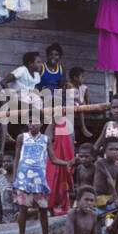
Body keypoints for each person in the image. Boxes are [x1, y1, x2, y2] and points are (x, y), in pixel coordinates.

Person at [15, 118, 69, 234]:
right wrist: (15, 179)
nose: (33, 124)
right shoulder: (21, 138)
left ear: (41, 123)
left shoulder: (46, 139)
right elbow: (17, 158)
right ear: (27, 123)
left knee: (43, 209)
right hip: (23, 180)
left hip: (39, 181)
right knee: (23, 209)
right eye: (30, 121)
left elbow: (54, 159)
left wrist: (67, 163)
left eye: (36, 121)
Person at [46, 87, 78, 216]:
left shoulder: (66, 122)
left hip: (66, 161)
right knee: (51, 186)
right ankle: (52, 210)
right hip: (54, 161)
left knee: (63, 187)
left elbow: (71, 142)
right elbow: (47, 140)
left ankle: (62, 209)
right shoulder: (52, 124)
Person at [66, 66, 93, 139]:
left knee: (84, 89)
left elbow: (83, 99)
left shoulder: (82, 87)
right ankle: (83, 127)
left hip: (77, 104)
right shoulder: (70, 85)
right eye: (82, 77)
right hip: (69, 104)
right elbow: (75, 99)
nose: (83, 79)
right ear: (75, 78)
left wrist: (87, 102)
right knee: (80, 108)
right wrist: (81, 104)